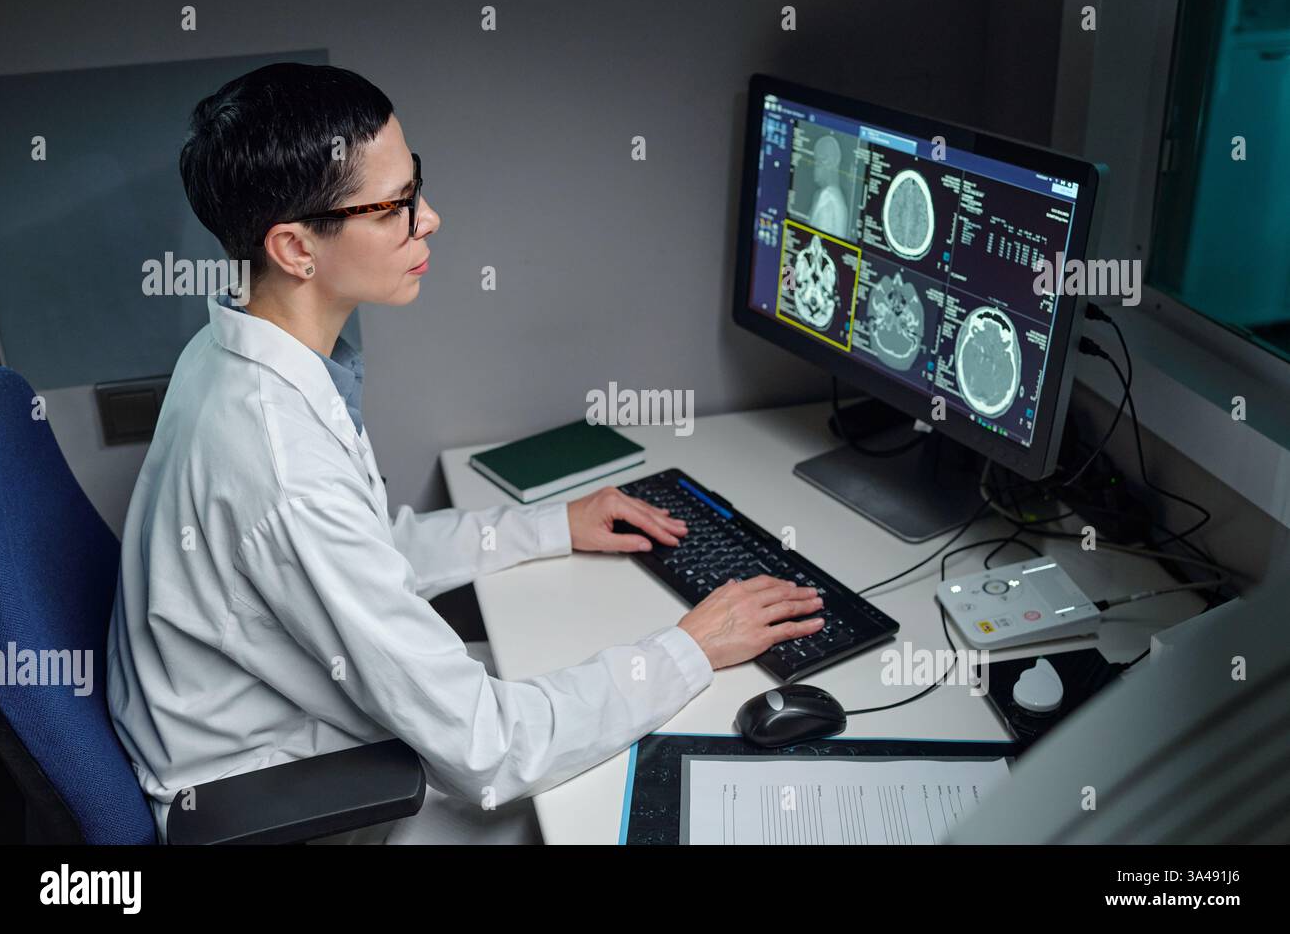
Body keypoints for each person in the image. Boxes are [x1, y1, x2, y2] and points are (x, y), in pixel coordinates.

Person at [105, 63, 826, 844]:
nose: (431, 220)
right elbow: (488, 754)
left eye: (418, 185)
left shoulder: (229, 355)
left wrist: (552, 525)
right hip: (283, 798)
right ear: (294, 248)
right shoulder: (281, 464)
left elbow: (365, 547)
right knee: (616, 804)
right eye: (394, 207)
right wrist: (688, 649)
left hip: (267, 729)